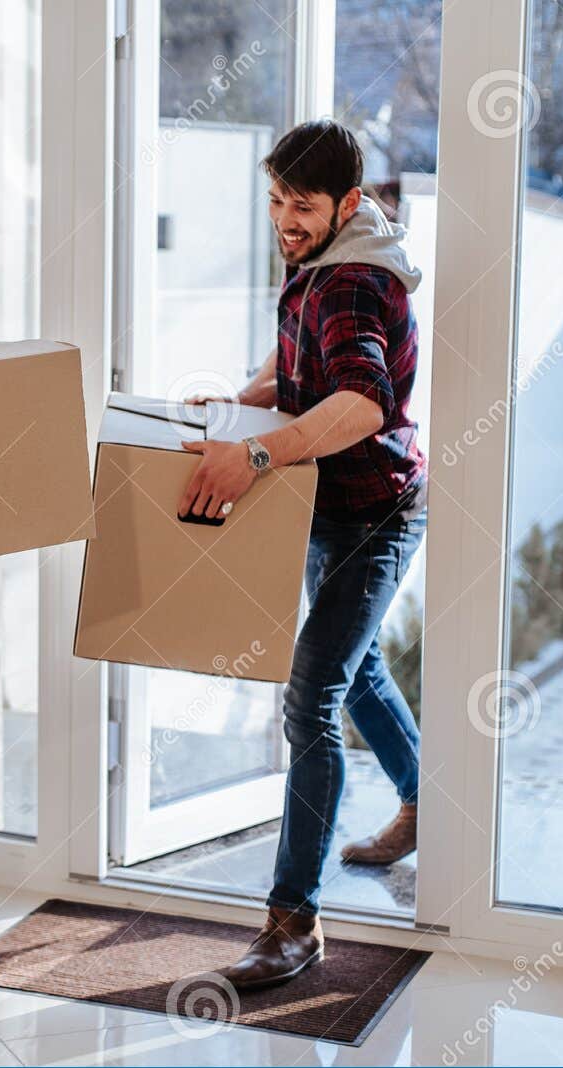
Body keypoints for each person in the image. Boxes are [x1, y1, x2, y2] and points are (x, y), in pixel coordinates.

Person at [178, 119, 427, 990]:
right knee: (354, 673)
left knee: (311, 696)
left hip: (376, 512)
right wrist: (235, 401)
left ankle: (293, 921)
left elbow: (360, 402)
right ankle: (424, 796)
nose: (285, 217)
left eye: (303, 204)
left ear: (347, 204)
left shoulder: (351, 284)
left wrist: (249, 456)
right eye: (277, 199)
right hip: (330, 507)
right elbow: (305, 374)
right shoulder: (327, 261)